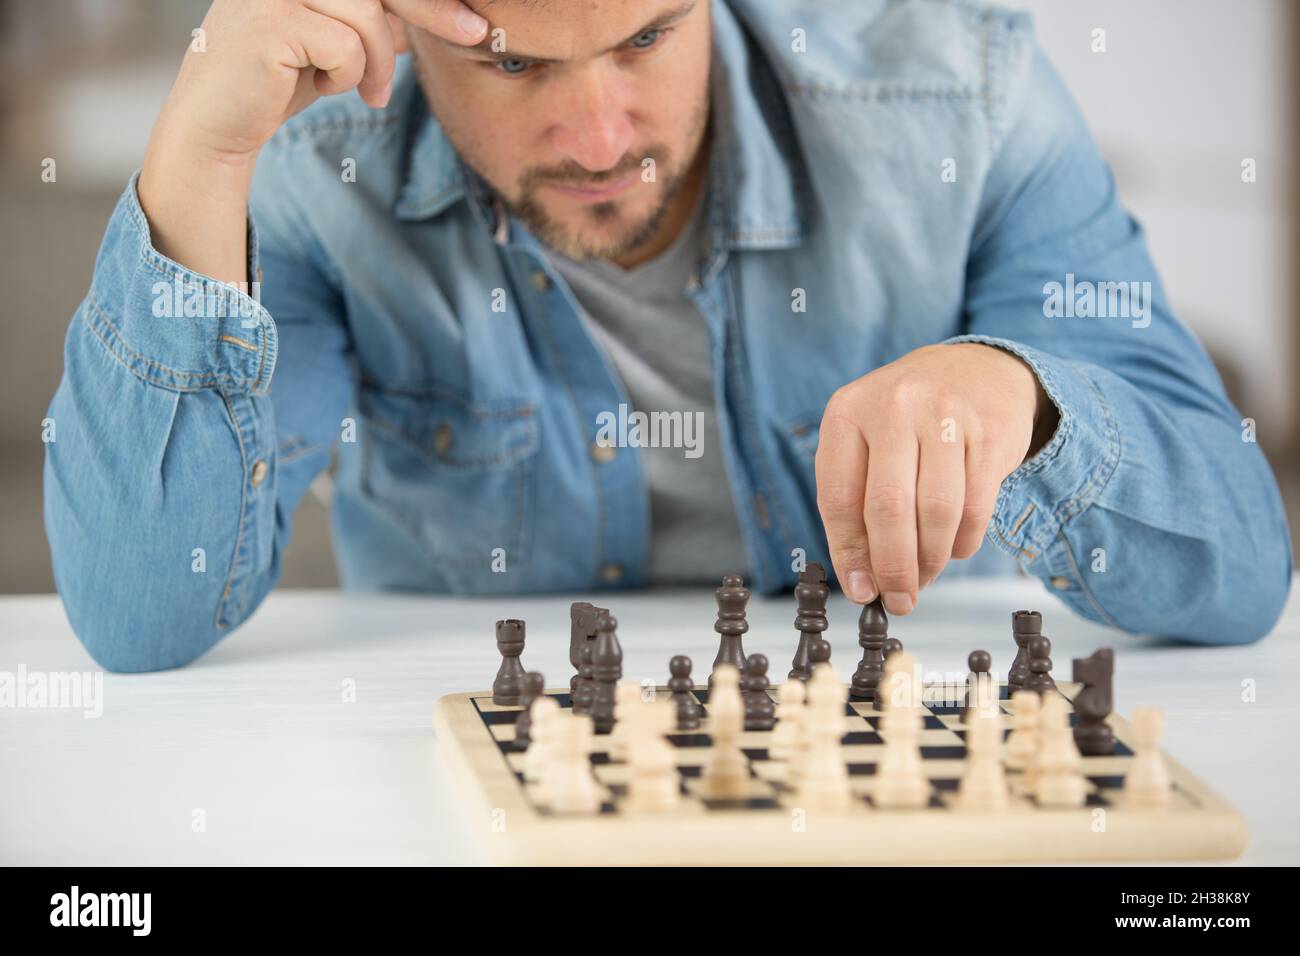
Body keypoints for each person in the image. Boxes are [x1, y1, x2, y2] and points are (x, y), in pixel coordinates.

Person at [44, 0, 1292, 672]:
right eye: (518, 64)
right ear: (399, 22)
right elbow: (142, 615)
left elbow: (1240, 566)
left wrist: (1025, 395)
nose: (599, 138)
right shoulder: (318, 165)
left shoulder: (966, 93)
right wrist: (197, 155)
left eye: (647, 36)